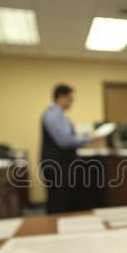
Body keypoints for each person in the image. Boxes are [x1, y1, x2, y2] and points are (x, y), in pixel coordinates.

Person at [40, 84, 91, 213]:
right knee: (59, 202)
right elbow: (64, 141)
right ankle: (56, 229)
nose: (72, 102)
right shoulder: (54, 115)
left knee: (63, 199)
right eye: (70, 99)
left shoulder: (58, 115)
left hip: (60, 163)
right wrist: (89, 139)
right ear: (62, 97)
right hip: (57, 164)